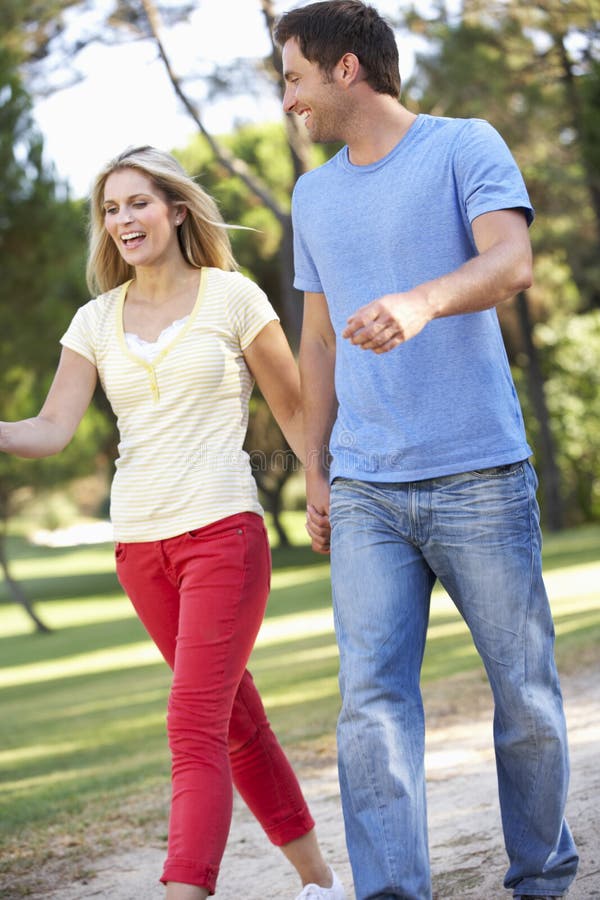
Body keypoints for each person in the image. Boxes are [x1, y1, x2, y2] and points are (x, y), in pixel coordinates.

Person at [273, 2, 579, 899]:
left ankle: (542, 879)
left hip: (477, 468)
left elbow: (511, 261)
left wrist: (421, 300)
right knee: (370, 708)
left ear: (346, 70)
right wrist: (316, 467)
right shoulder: (313, 192)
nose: (288, 98)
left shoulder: (463, 144)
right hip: (367, 484)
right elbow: (318, 342)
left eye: (294, 76)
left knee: (524, 696)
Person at [0, 146, 348, 900]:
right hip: (139, 549)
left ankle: (184, 891)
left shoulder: (232, 297)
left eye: (138, 203)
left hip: (223, 532)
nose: (123, 219)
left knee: (192, 726)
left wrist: (319, 483)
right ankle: (321, 884)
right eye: (111, 208)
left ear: (177, 209)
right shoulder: (94, 319)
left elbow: (291, 407)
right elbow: (53, 428)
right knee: (234, 723)